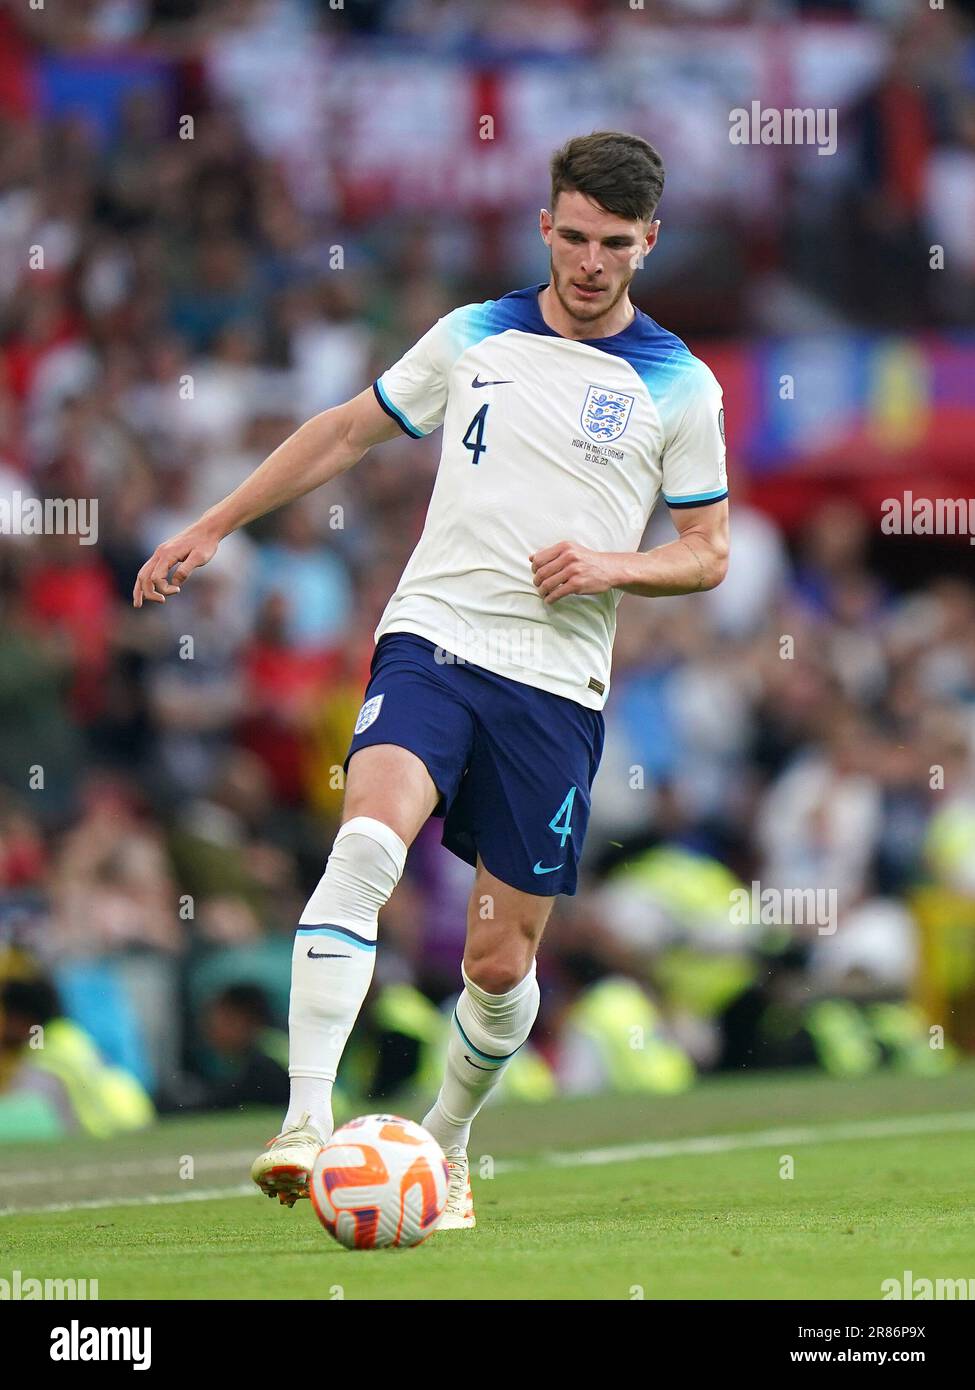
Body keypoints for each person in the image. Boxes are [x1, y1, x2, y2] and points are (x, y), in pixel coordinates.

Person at [133, 131, 730, 1228]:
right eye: (574, 236)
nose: (591, 262)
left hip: (555, 687)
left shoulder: (680, 386)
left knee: (499, 966)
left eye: (615, 244)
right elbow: (347, 431)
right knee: (367, 839)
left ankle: (443, 1142)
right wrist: (214, 522)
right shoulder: (473, 334)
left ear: (649, 243)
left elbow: (709, 550)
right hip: (436, 638)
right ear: (544, 225)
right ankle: (304, 1123)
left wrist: (614, 566)